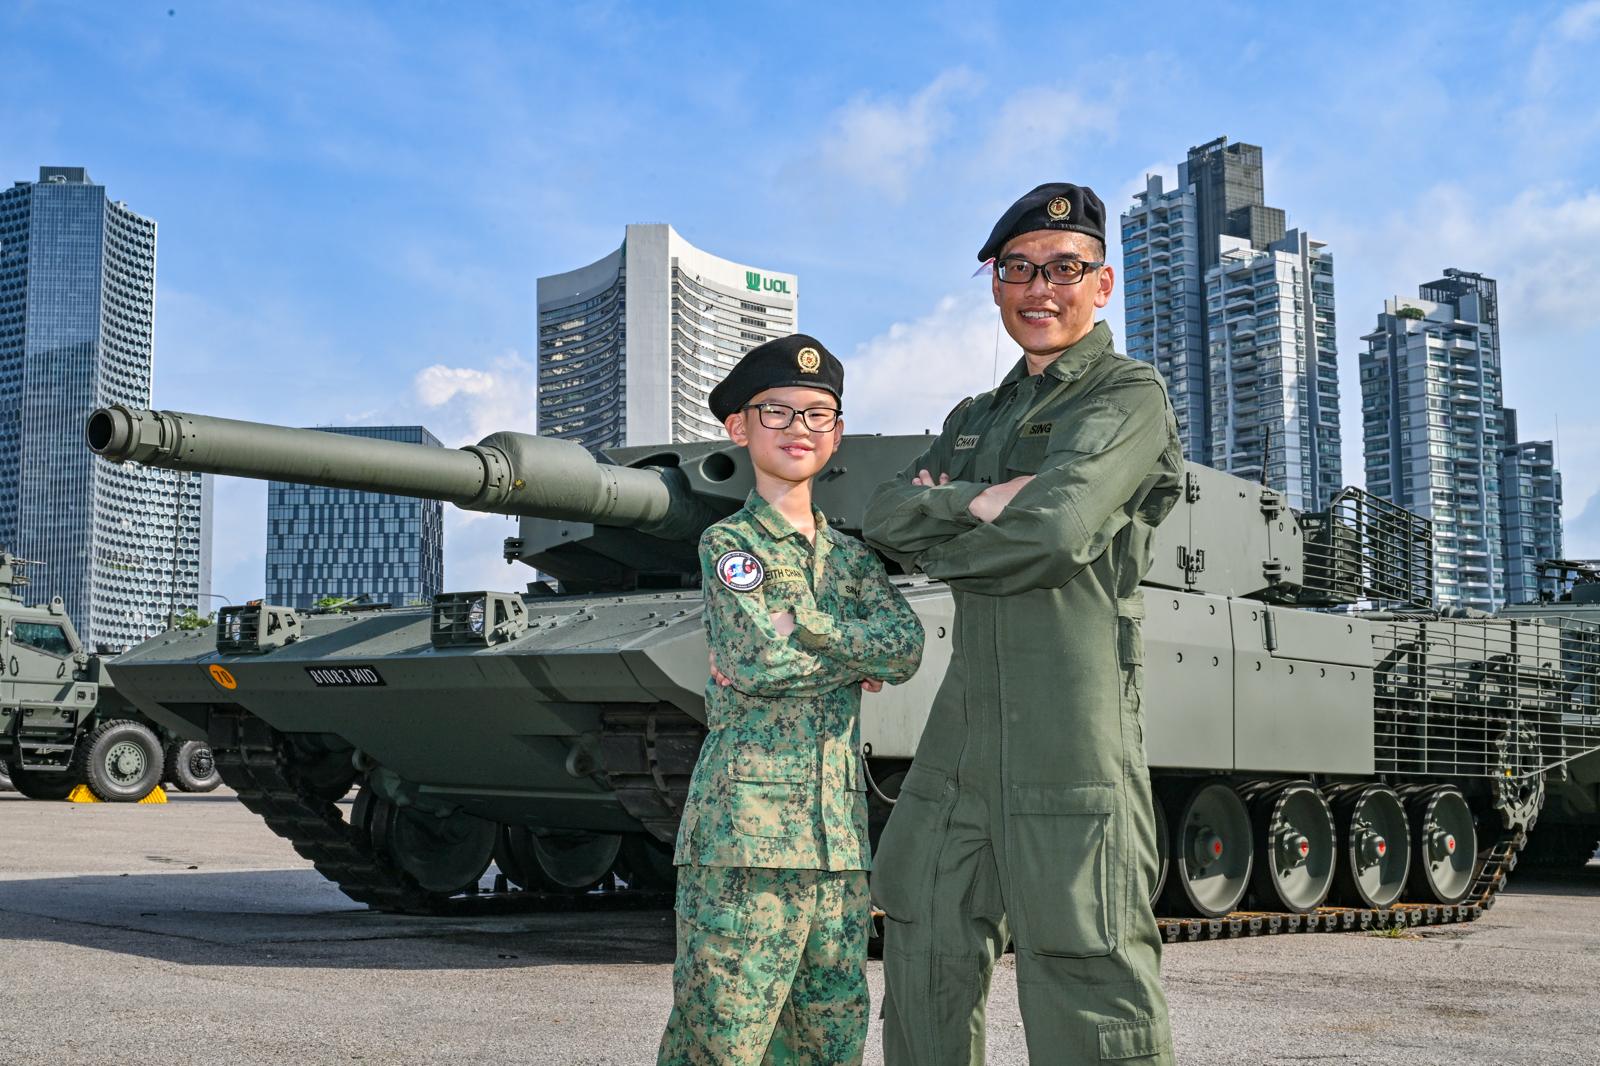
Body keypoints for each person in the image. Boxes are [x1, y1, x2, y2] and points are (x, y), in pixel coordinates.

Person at [862, 183, 1184, 1065]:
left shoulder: (1127, 397)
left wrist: (948, 520)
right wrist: (981, 501)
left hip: (1069, 725)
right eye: (1018, 270)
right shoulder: (976, 418)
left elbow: (1054, 535)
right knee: (922, 928)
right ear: (996, 284)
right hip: (964, 722)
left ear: (1103, 283)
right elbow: (885, 513)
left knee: (1084, 949)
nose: (1041, 288)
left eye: (1064, 268)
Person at [657, 333, 926, 1066]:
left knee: (831, 1036)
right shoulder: (731, 544)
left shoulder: (852, 557)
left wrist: (803, 625)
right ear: (739, 428)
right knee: (725, 1035)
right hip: (745, 837)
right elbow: (756, 660)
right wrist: (848, 653)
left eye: (817, 413)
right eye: (776, 412)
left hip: (838, 841)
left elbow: (905, 646)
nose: (799, 428)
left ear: (837, 433)